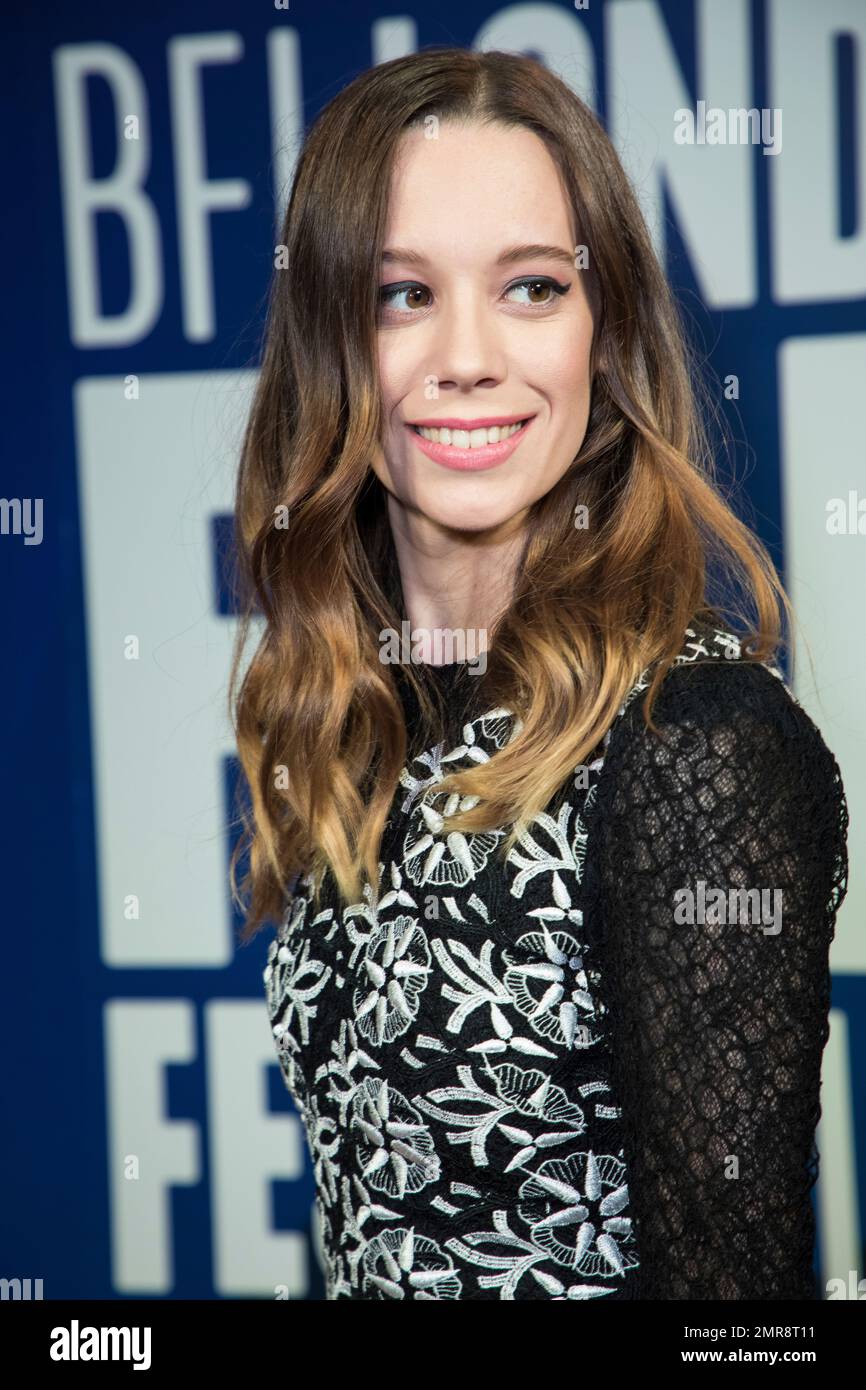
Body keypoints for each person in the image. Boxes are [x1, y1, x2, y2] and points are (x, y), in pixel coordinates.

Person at [228, 48, 849, 1300]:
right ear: (327, 339)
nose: (465, 356)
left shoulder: (694, 745)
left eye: (527, 288)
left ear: (603, 331)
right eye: (401, 293)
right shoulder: (358, 723)